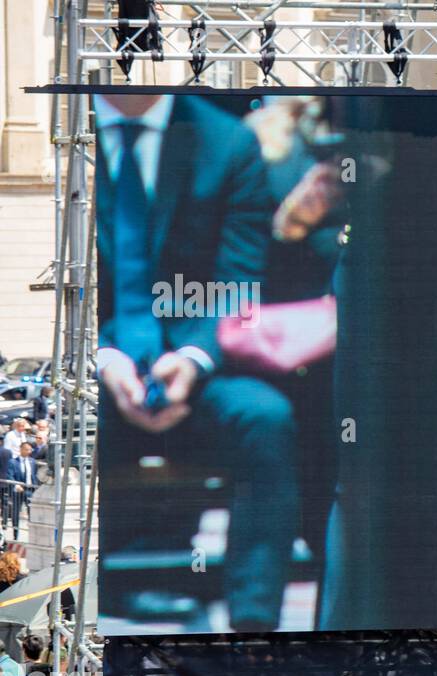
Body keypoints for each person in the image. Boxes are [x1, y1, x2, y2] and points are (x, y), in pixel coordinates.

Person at [93, 92, 298, 633]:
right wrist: (105, 358)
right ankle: (85, 593)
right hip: (90, 370)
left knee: (267, 417)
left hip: (193, 363)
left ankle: (255, 621)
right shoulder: (62, 139)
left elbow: (240, 279)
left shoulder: (226, 142)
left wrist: (192, 359)